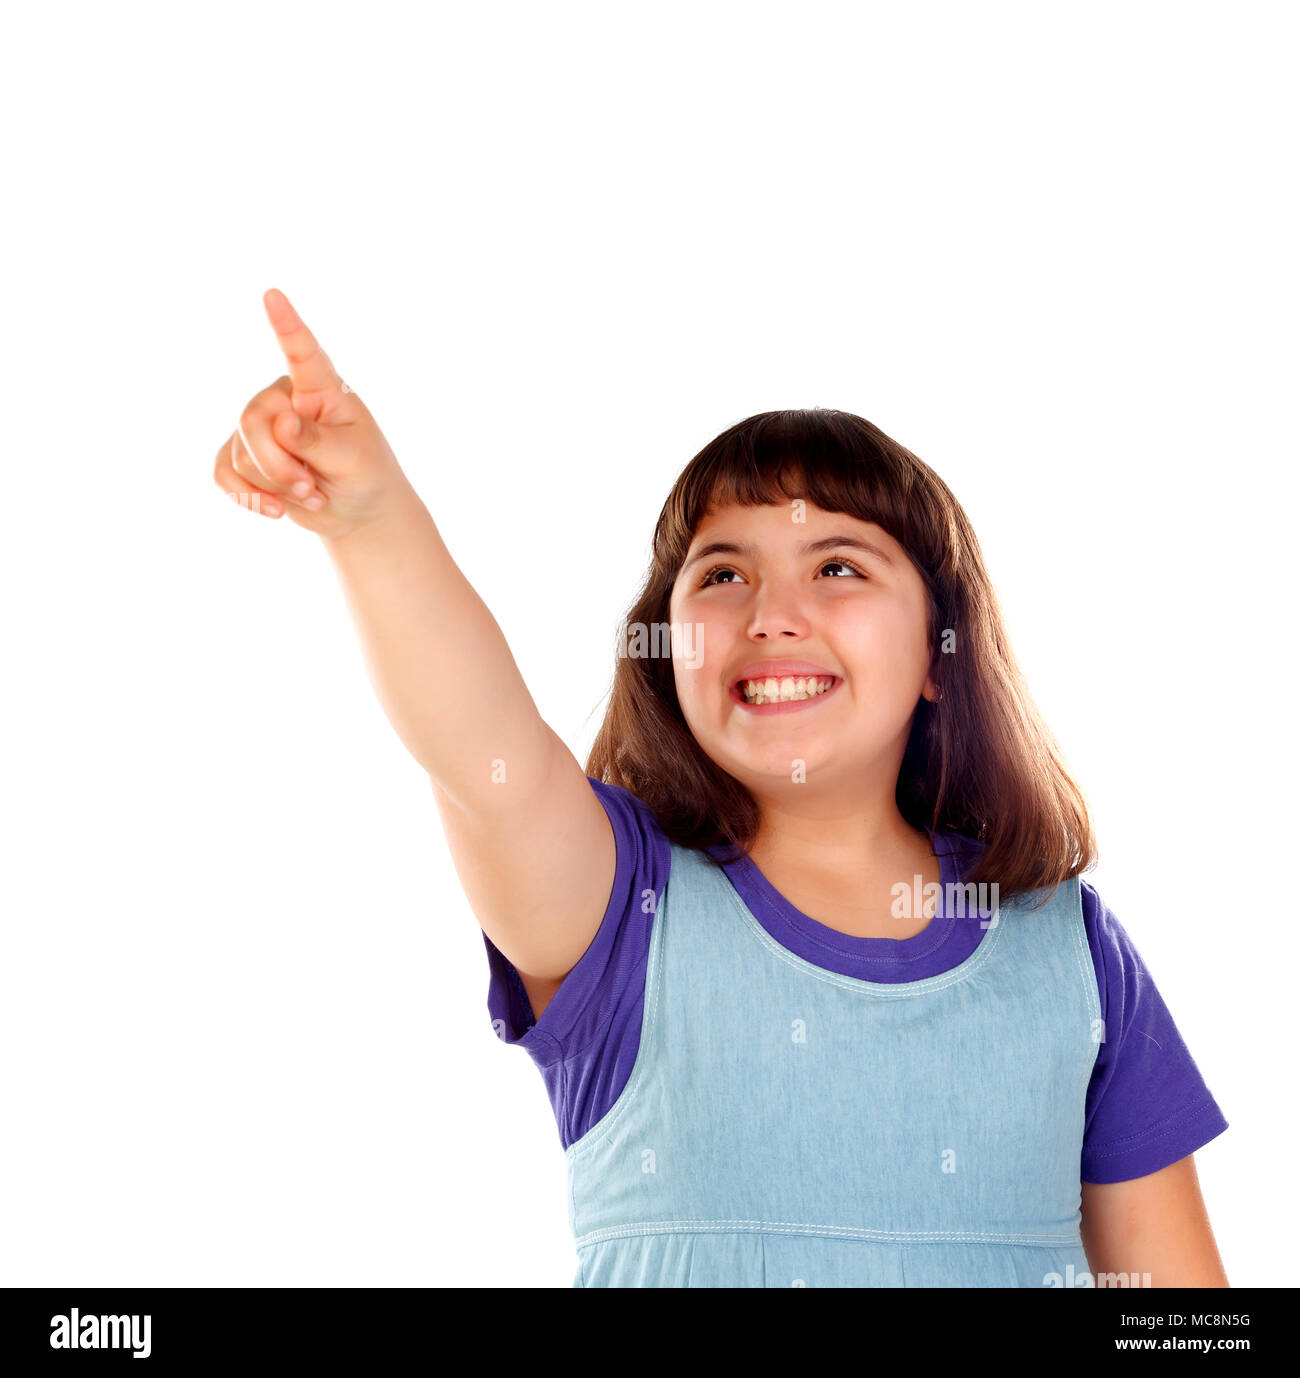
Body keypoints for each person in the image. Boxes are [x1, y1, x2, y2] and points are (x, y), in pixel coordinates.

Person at [214, 287, 1229, 1288]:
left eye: (837, 567)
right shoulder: (618, 910)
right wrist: (372, 520)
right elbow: (482, 756)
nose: (771, 613)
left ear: (937, 651)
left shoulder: (1071, 954)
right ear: (668, 651)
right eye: (721, 575)